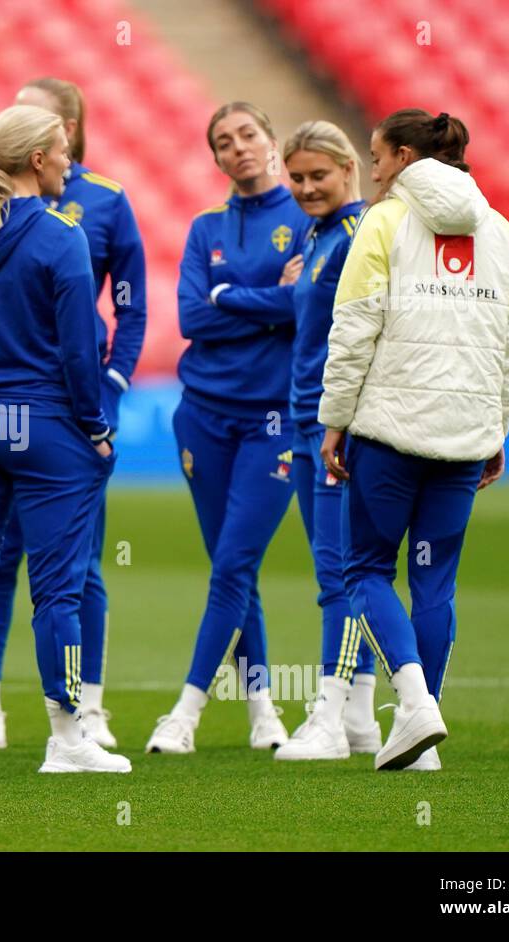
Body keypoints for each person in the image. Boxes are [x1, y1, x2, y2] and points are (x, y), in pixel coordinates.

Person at [319, 110, 509, 771]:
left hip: (389, 432)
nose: (372, 171)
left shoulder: (383, 222)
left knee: (367, 569)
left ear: (405, 157)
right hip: (464, 438)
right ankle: (420, 742)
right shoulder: (502, 234)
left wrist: (334, 418)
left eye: (376, 158)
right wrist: (497, 427)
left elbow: (354, 329)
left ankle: (415, 705)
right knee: (435, 584)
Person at [0, 105, 131, 775]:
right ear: (38, 160)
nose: (71, 160)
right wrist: (96, 427)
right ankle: (68, 738)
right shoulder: (59, 236)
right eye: (63, 149)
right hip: (43, 426)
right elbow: (79, 354)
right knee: (58, 591)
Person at [0, 78, 147, 751]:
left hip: (74, 406)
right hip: (17, 412)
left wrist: (112, 382)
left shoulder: (106, 202)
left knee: (80, 565)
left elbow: (130, 306)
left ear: (66, 127)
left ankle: (87, 706)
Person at [145, 102, 310, 756]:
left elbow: (305, 306)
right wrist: (267, 304)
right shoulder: (205, 227)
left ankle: (185, 712)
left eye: (247, 134)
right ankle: (264, 709)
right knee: (232, 569)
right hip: (203, 417)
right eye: (223, 141)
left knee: (235, 563)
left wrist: (227, 299)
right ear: (215, 158)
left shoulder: (305, 220)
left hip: (275, 422)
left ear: (272, 142)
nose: (237, 147)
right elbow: (190, 317)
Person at [271, 121, 381, 762]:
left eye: (320, 175)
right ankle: (361, 716)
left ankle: (329, 717)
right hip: (308, 420)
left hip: (338, 422)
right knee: (334, 569)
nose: (308, 187)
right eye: (299, 178)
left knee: (340, 572)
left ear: (349, 170)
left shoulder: (356, 234)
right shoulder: (318, 237)